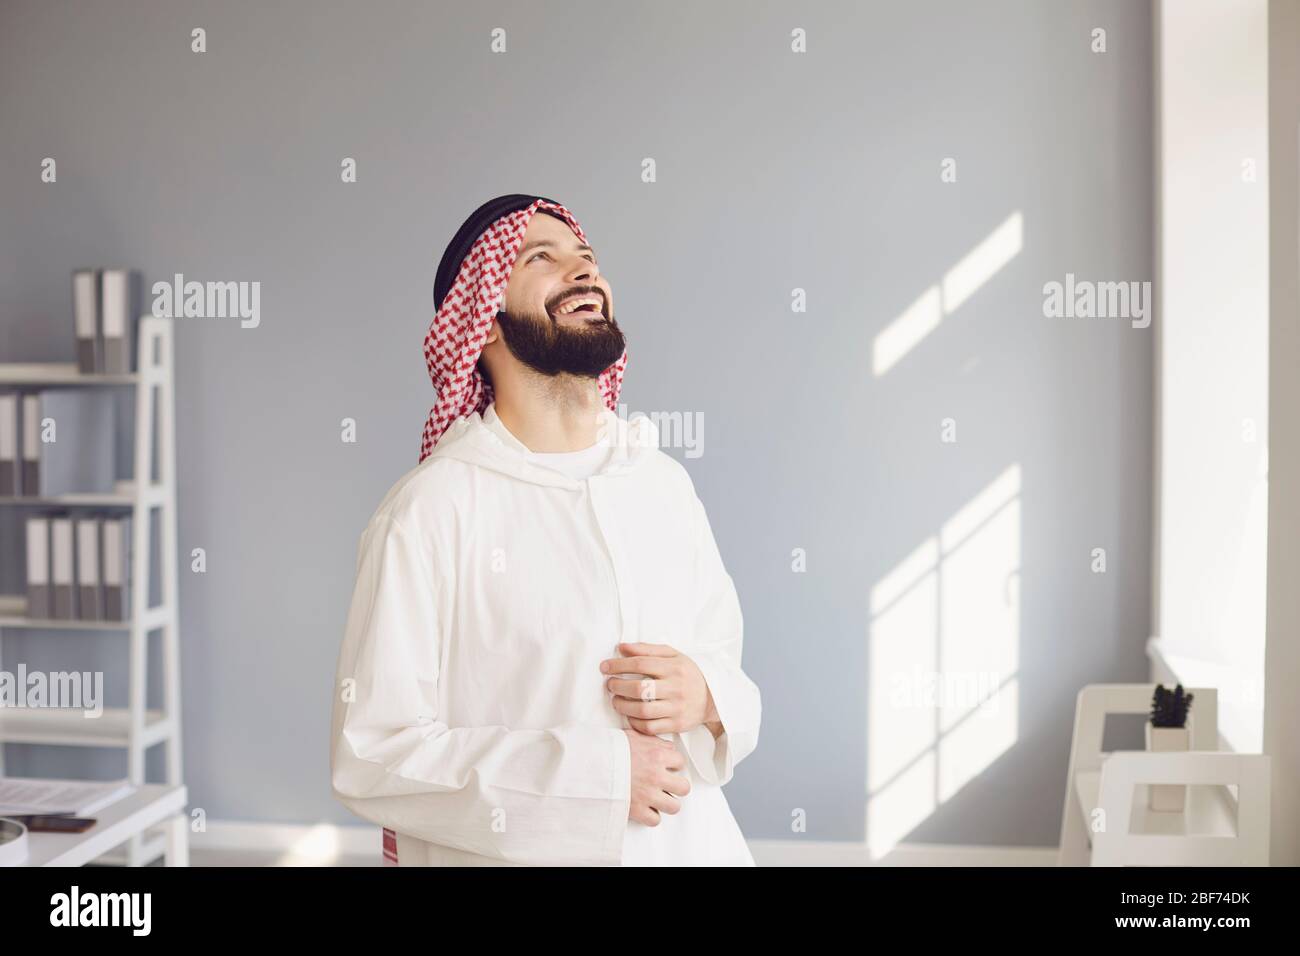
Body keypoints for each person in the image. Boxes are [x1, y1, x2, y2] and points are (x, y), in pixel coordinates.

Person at [329, 194, 761, 866]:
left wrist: (706, 694)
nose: (584, 272)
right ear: (483, 322)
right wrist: (598, 781)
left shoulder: (661, 482)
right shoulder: (430, 511)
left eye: (587, 259)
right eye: (542, 258)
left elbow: (723, 659)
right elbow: (374, 752)